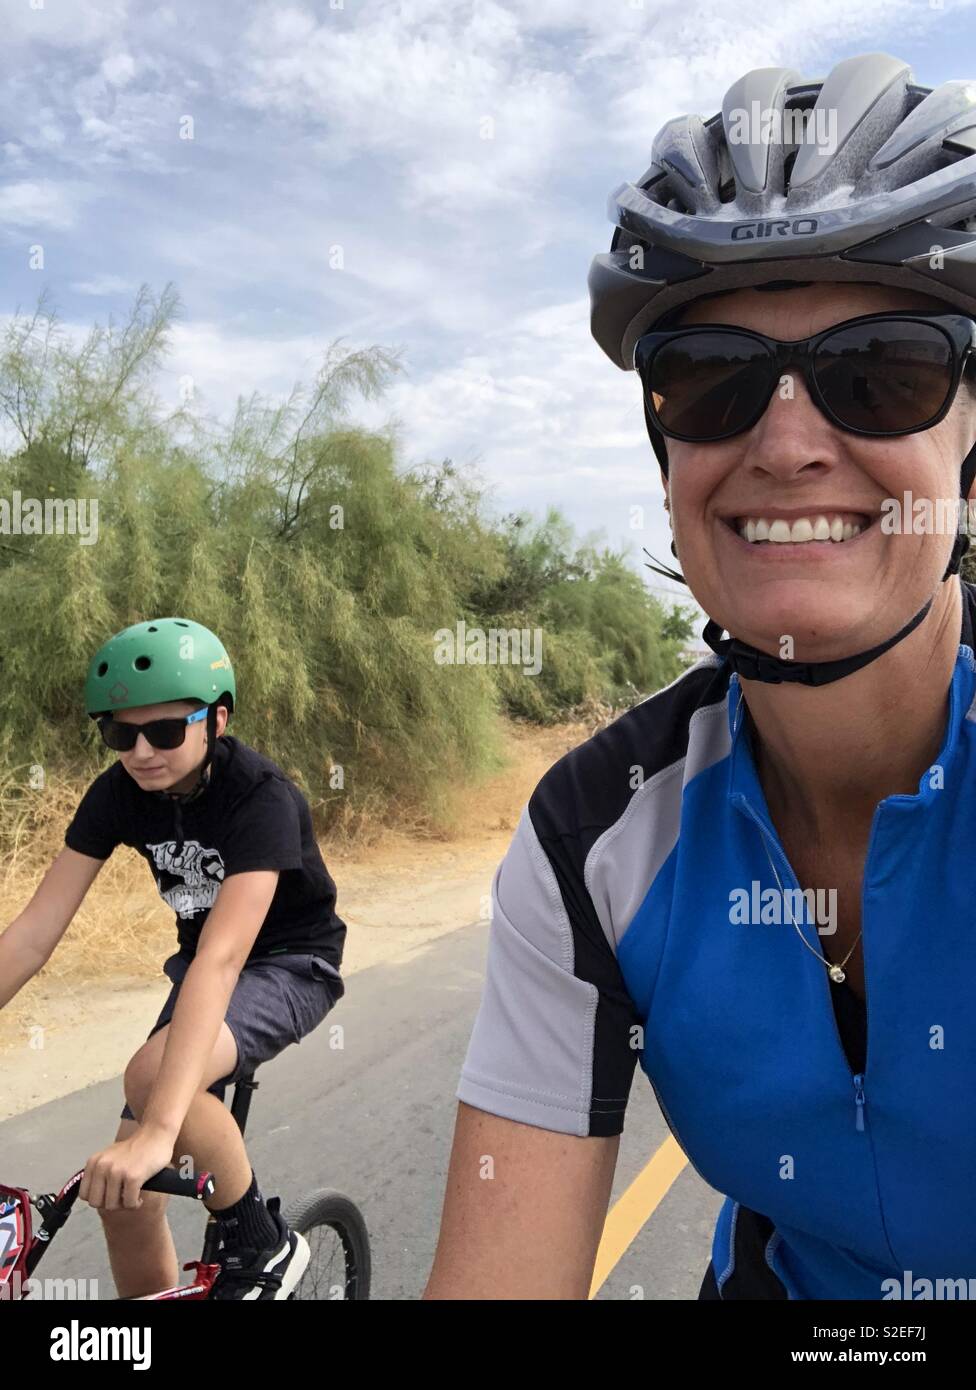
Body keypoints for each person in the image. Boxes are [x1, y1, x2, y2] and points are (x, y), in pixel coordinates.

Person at [425, 51, 976, 1299]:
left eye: (883, 371)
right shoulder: (592, 841)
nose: (784, 446)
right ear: (664, 452)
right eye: (711, 379)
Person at [0, 617, 347, 1299]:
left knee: (153, 1077)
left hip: (288, 964)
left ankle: (261, 1243)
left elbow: (224, 957)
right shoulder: (118, 794)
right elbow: (35, 933)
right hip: (202, 970)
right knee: (124, 1199)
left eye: (164, 731)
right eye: (119, 732)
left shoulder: (261, 798)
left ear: (218, 719)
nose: (140, 751)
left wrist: (160, 1131)